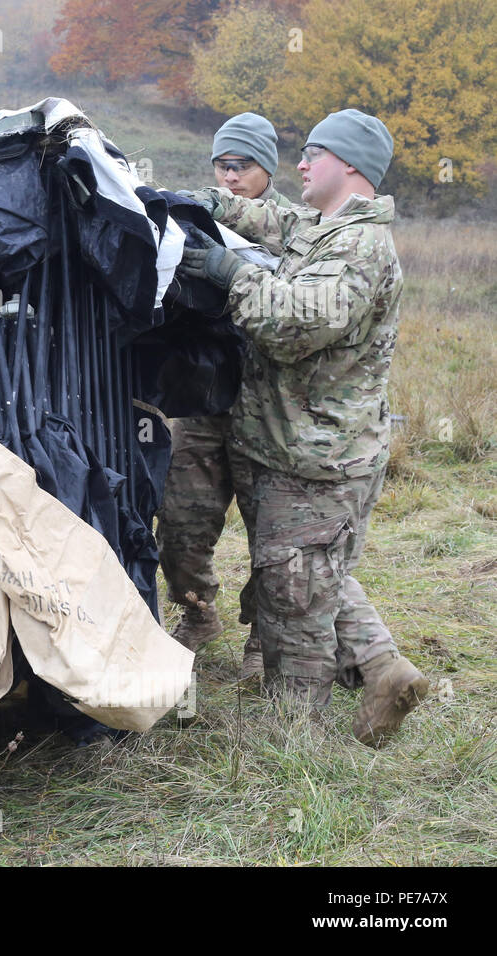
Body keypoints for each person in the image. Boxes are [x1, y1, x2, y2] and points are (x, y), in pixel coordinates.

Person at [178, 108, 429, 747]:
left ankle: (298, 738)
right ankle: (382, 670)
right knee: (306, 577)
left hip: (316, 460)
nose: (300, 163)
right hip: (291, 449)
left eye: (314, 154)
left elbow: (293, 327)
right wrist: (203, 203)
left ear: (350, 165)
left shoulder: (359, 247)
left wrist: (232, 272)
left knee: (296, 601)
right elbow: (274, 219)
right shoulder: (321, 228)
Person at [159, 113, 291, 681]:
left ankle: (262, 638)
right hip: (204, 402)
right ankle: (197, 613)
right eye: (222, 165)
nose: (230, 176)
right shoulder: (197, 221)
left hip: (271, 410)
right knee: (179, 521)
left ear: (268, 170)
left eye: (243, 166)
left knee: (273, 534)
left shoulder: (298, 228)